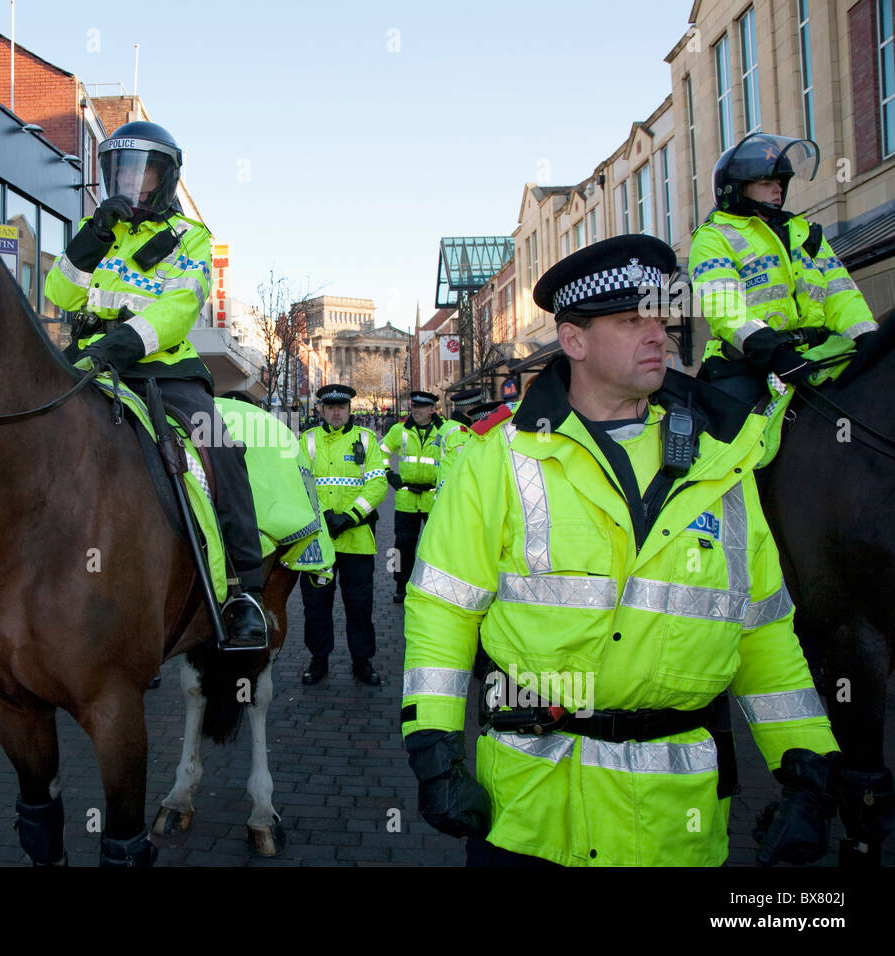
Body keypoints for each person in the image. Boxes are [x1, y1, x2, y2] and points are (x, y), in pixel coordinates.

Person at [403, 234, 841, 867]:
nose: (658, 335)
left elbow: (763, 631)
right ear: (575, 341)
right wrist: (434, 748)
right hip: (531, 817)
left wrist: (806, 769)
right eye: (632, 320)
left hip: (676, 830)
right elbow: (444, 610)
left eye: (660, 318)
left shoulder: (723, 462)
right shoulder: (499, 457)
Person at [44, 121, 267, 650]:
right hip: (88, 363)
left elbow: (178, 308)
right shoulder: (99, 228)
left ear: (165, 178)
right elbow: (60, 293)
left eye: (143, 172)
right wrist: (93, 234)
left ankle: (243, 592)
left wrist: (121, 343)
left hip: (162, 368)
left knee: (220, 448)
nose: (131, 182)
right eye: (121, 170)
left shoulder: (191, 237)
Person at [690, 132, 878, 404]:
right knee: (731, 443)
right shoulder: (713, 237)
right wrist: (773, 351)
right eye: (767, 182)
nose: (778, 189)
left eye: (780, 181)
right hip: (749, 365)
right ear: (736, 187)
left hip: (818, 355)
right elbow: (722, 304)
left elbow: (841, 292)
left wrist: (868, 338)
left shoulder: (806, 233)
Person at [299, 384, 388, 686]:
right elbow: (299, 482)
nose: (336, 412)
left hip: (357, 538)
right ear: (321, 410)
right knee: (316, 604)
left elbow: (377, 484)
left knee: (359, 604)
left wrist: (350, 516)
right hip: (318, 541)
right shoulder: (307, 441)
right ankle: (318, 659)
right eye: (330, 407)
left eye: (342, 407)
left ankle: (362, 661)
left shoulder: (367, 439)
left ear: (350, 409)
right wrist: (324, 515)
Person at [379, 391, 454, 604]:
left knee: (436, 544)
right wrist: (389, 474)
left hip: (434, 498)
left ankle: (435, 585)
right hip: (406, 498)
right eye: (414, 407)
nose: (416, 411)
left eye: (422, 407)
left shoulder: (446, 431)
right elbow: (380, 453)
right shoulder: (399, 430)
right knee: (402, 546)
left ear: (432, 409)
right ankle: (400, 585)